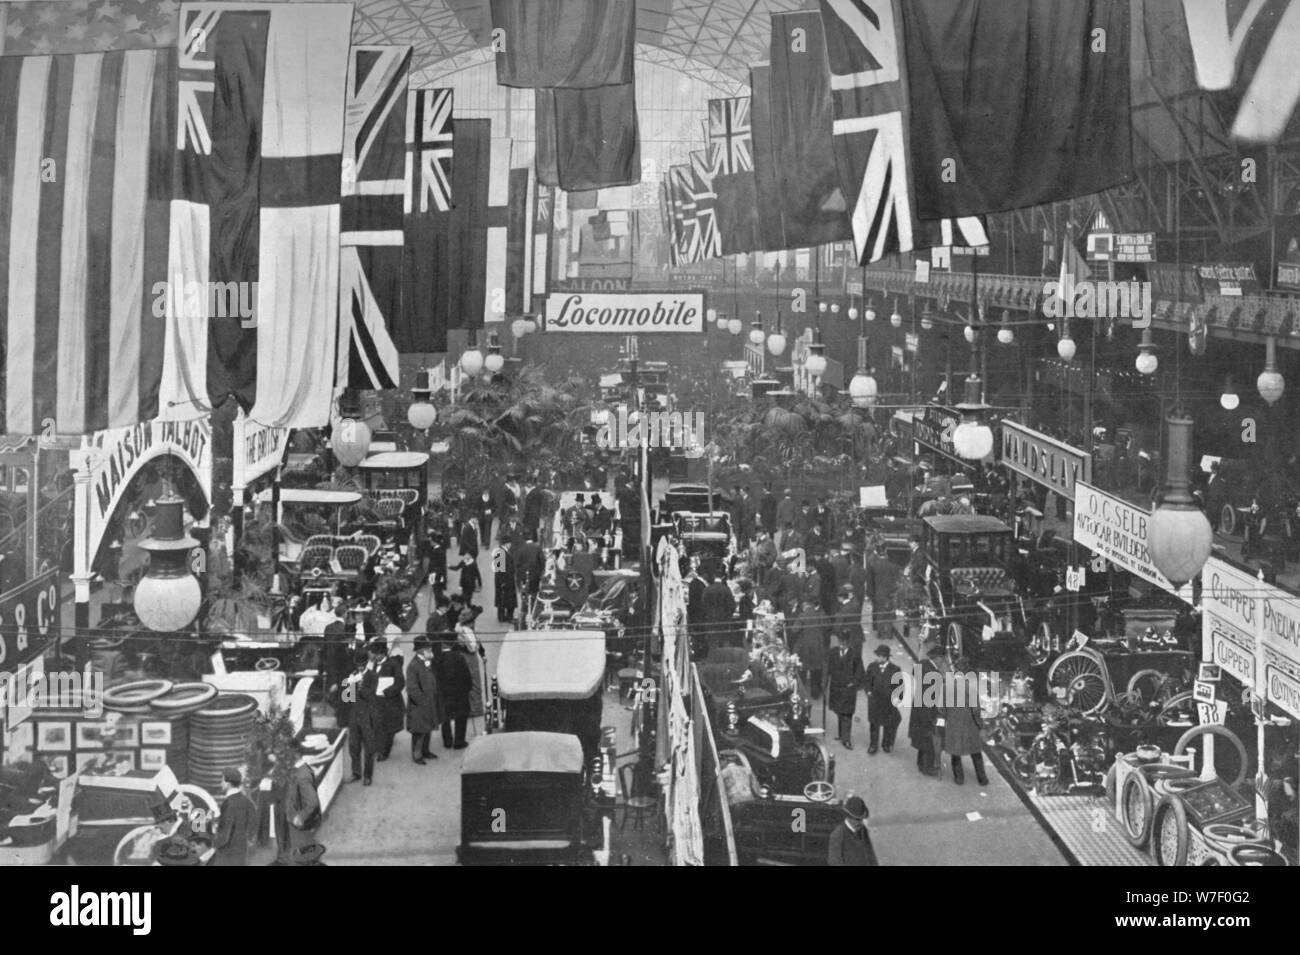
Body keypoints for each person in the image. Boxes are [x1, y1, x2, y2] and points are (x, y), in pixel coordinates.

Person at [939, 656, 988, 786]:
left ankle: (959, 778)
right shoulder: (970, 686)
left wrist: (945, 719)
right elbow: (976, 709)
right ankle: (982, 778)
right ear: (966, 670)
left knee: (955, 753)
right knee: (976, 752)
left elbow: (941, 708)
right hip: (969, 723)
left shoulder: (947, 685)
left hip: (953, 723)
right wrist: (980, 724)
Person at [346, 645, 384, 786]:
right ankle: (356, 772)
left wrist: (360, 684)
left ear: (366, 663)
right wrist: (349, 686)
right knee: (353, 746)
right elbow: (348, 698)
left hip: (368, 716)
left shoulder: (373, 676)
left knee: (369, 747)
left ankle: (368, 775)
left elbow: (371, 696)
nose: (360, 668)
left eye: (362, 665)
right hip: (355, 715)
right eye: (358, 666)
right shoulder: (352, 674)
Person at [282, 741, 322, 865]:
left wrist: (300, 817)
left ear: (295, 754)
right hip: (299, 823)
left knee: (303, 857)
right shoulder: (299, 769)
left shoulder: (302, 775)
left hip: (301, 825)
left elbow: (312, 801)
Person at [825, 631, 865, 750]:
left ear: (848, 642)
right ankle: (841, 734)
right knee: (839, 711)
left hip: (848, 689)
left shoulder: (855, 654)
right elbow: (828, 668)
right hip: (836, 687)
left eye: (844, 642)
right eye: (840, 641)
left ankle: (846, 739)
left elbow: (860, 671)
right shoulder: (833, 652)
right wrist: (824, 682)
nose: (842, 644)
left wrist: (854, 683)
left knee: (846, 714)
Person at [435, 632, 473, 749]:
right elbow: (466, 675)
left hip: (444, 692)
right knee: (461, 717)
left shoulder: (438, 657)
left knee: (445, 717)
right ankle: (459, 741)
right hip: (459, 692)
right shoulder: (459, 657)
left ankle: (447, 741)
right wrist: (468, 688)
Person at [212, 768, 257, 866]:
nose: (221, 784)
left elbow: (225, 833)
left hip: (227, 853)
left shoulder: (229, 803)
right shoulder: (246, 801)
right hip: (241, 851)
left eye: (222, 781)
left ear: (228, 783)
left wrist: (213, 843)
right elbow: (253, 823)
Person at [909, 645, 943, 777]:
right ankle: (927, 767)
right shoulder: (936, 674)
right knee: (929, 739)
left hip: (917, 708)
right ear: (938, 658)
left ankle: (920, 763)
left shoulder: (922, 664)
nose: (942, 662)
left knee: (921, 738)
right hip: (928, 711)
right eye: (942, 659)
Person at [405, 637, 440, 764]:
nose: (430, 650)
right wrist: (423, 702)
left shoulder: (426, 662)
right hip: (419, 706)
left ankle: (425, 751)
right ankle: (417, 755)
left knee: (427, 729)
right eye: (427, 648)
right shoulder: (413, 666)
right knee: (418, 732)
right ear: (420, 651)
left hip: (428, 703)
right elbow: (412, 688)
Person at [864, 644, 902, 754]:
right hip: (875, 700)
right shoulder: (872, 666)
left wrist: (897, 700)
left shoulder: (895, 669)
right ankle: (873, 745)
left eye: (880, 656)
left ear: (885, 657)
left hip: (888, 702)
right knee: (874, 724)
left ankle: (886, 744)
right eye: (878, 656)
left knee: (888, 723)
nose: (877, 658)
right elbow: (867, 681)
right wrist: (869, 692)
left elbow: (899, 687)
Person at [375, 638, 406, 761]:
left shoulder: (393, 664)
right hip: (377, 701)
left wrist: (387, 691)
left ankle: (384, 752)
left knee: (388, 729)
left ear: (384, 653)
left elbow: (400, 682)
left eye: (378, 654)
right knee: (379, 726)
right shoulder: (373, 665)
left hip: (390, 701)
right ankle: (380, 748)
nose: (376, 656)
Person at [791, 600, 828, 700]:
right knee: (816, 670)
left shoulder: (802, 616)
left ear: (804, 607)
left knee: (802, 669)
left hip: (805, 647)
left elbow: (794, 629)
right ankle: (815, 694)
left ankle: (802, 693)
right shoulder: (820, 614)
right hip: (818, 646)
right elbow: (826, 627)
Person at [827, 795, 877, 866]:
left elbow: (871, 857)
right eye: (857, 819)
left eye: (862, 819)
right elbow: (835, 862)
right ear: (848, 816)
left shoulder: (863, 831)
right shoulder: (837, 835)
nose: (860, 822)